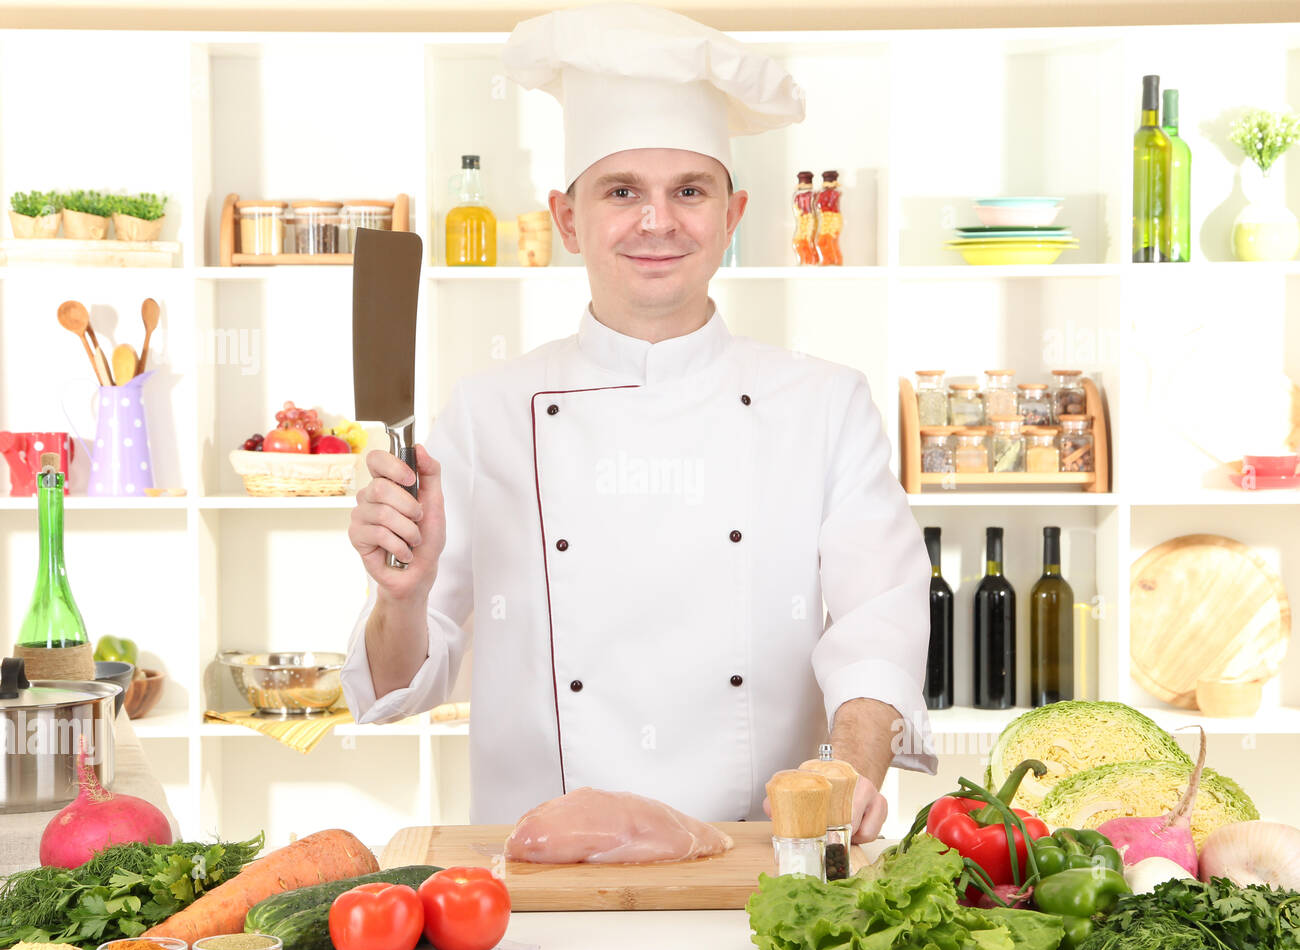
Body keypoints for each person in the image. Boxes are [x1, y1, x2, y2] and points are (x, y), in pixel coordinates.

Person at [342, 3, 935, 840]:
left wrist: (852, 763)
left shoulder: (825, 403)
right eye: (623, 191)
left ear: (730, 217)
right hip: (536, 874)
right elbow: (404, 683)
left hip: (758, 861)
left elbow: (880, 614)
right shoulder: (487, 409)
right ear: (567, 218)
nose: (658, 221)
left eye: (688, 191)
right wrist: (398, 597)